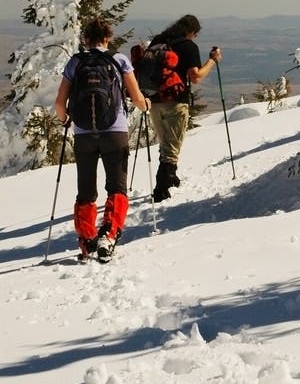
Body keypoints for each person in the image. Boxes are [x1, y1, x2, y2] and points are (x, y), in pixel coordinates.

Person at [54, 18, 150, 261]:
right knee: (117, 187)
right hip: (115, 131)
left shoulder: (76, 62)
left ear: (86, 39)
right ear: (108, 38)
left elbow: (59, 104)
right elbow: (137, 98)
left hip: (84, 134)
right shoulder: (118, 60)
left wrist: (66, 120)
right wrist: (145, 105)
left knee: (86, 190)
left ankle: (88, 241)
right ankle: (109, 234)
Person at [147, 13, 222, 202]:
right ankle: (160, 190)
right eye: (195, 34)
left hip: (154, 102)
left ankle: (170, 178)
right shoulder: (188, 46)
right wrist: (212, 60)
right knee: (172, 149)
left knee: (165, 144)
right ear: (192, 32)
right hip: (176, 102)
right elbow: (196, 77)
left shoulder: (158, 41)